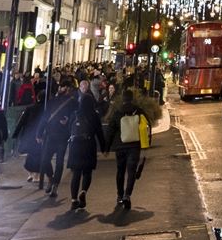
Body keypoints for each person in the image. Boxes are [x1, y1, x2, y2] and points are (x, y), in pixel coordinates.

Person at [105, 90, 149, 210]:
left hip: (120, 146)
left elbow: (110, 131)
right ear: (132, 99)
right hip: (134, 146)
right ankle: (127, 195)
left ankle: (119, 195)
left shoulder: (117, 113)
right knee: (131, 172)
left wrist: (106, 148)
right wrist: (146, 143)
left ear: (123, 99)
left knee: (120, 171)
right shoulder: (139, 111)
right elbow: (147, 126)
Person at [66, 81, 107, 209]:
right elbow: (99, 133)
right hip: (88, 145)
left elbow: (69, 131)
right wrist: (104, 148)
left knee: (76, 174)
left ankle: (73, 200)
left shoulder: (75, 114)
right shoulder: (94, 116)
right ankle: (83, 192)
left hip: (75, 147)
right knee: (87, 172)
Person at [40, 79, 79, 197]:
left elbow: (77, 116)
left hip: (63, 135)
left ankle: (55, 185)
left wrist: (68, 120)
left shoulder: (73, 102)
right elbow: (45, 116)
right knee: (45, 160)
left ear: (68, 88)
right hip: (51, 134)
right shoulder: (52, 101)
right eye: (60, 86)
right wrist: (39, 132)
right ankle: (51, 178)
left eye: (63, 87)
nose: (60, 88)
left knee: (59, 161)